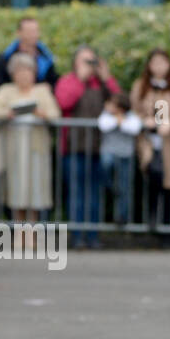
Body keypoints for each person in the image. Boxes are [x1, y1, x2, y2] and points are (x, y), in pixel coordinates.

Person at [0, 52, 60, 239]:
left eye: (27, 71)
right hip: (14, 148)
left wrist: (41, 113)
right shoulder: (5, 91)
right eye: (20, 71)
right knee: (16, 188)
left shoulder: (42, 91)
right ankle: (19, 232)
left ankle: (32, 233)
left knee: (35, 188)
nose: (24, 75)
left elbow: (55, 114)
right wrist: (8, 114)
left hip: (36, 147)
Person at [55, 45, 119, 248]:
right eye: (85, 61)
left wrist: (106, 78)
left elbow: (119, 102)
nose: (89, 66)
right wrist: (80, 80)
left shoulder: (102, 83)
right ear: (75, 63)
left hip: (99, 148)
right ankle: (76, 237)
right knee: (76, 194)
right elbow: (63, 102)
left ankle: (93, 236)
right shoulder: (68, 81)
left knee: (94, 195)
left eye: (92, 61)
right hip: (73, 148)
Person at [132, 48, 170, 235]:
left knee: (169, 184)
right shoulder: (141, 85)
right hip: (149, 142)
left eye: (162, 62)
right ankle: (150, 223)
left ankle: (167, 228)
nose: (159, 67)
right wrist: (144, 121)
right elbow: (134, 111)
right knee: (152, 179)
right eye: (155, 63)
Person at [97, 89, 141, 227]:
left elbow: (134, 128)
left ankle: (122, 217)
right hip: (109, 151)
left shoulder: (131, 116)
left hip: (125, 154)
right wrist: (118, 120)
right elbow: (103, 125)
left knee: (125, 187)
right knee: (105, 164)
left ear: (120, 107)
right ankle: (111, 186)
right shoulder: (106, 115)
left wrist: (122, 122)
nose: (108, 106)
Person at [0, 17, 58, 92]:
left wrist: (48, 87)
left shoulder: (47, 57)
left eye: (36, 31)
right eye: (29, 31)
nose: (33, 35)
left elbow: (53, 82)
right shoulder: (5, 58)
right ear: (19, 33)